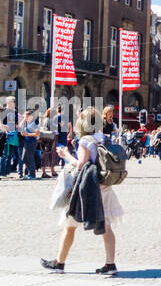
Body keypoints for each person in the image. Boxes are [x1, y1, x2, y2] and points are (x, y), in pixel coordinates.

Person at [41, 107, 123, 276]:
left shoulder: (85, 140)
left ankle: (59, 263)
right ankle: (110, 264)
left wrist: (66, 155)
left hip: (87, 188)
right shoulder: (104, 138)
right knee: (106, 226)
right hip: (104, 186)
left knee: (70, 225)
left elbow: (81, 165)